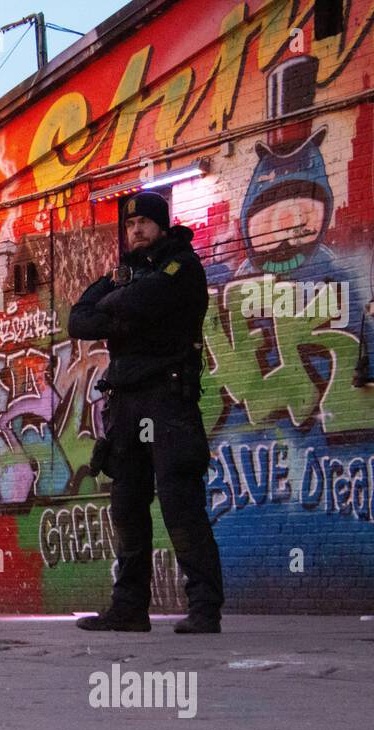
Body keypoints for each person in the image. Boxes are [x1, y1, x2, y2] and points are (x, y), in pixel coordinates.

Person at [67, 191, 225, 634]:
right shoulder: (123, 273)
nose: (135, 230)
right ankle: (129, 608)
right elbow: (78, 320)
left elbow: (136, 302)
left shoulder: (181, 266)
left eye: (144, 223)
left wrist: (117, 310)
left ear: (161, 225)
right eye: (130, 224)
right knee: (127, 507)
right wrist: (125, 308)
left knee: (180, 504)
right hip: (126, 403)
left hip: (169, 398)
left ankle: (204, 609)